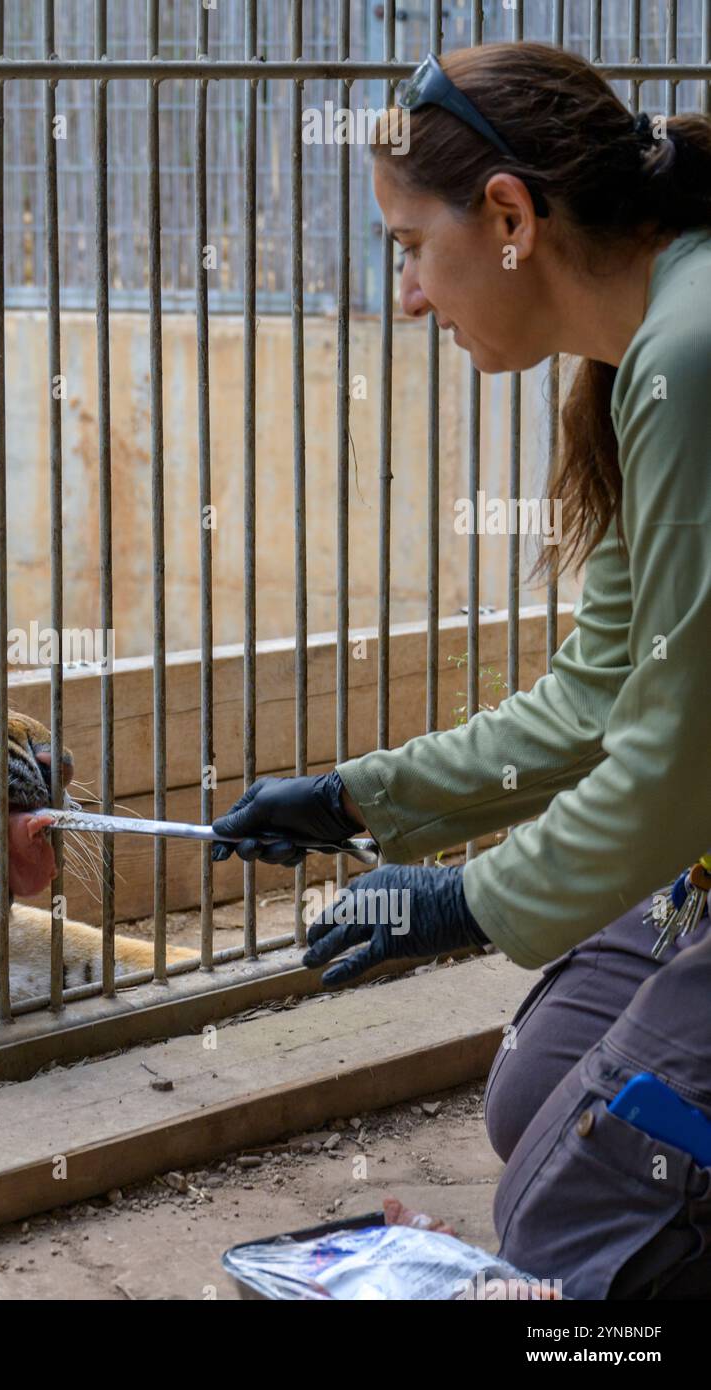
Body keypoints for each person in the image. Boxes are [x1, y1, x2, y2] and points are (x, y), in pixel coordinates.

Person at [211, 42, 711, 1300]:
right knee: (535, 1098)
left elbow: (669, 765)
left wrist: (455, 902)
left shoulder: (689, 357)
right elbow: (602, 694)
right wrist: (358, 798)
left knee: (570, 1222)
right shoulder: (641, 345)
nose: (408, 298)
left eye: (403, 246)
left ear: (506, 218)